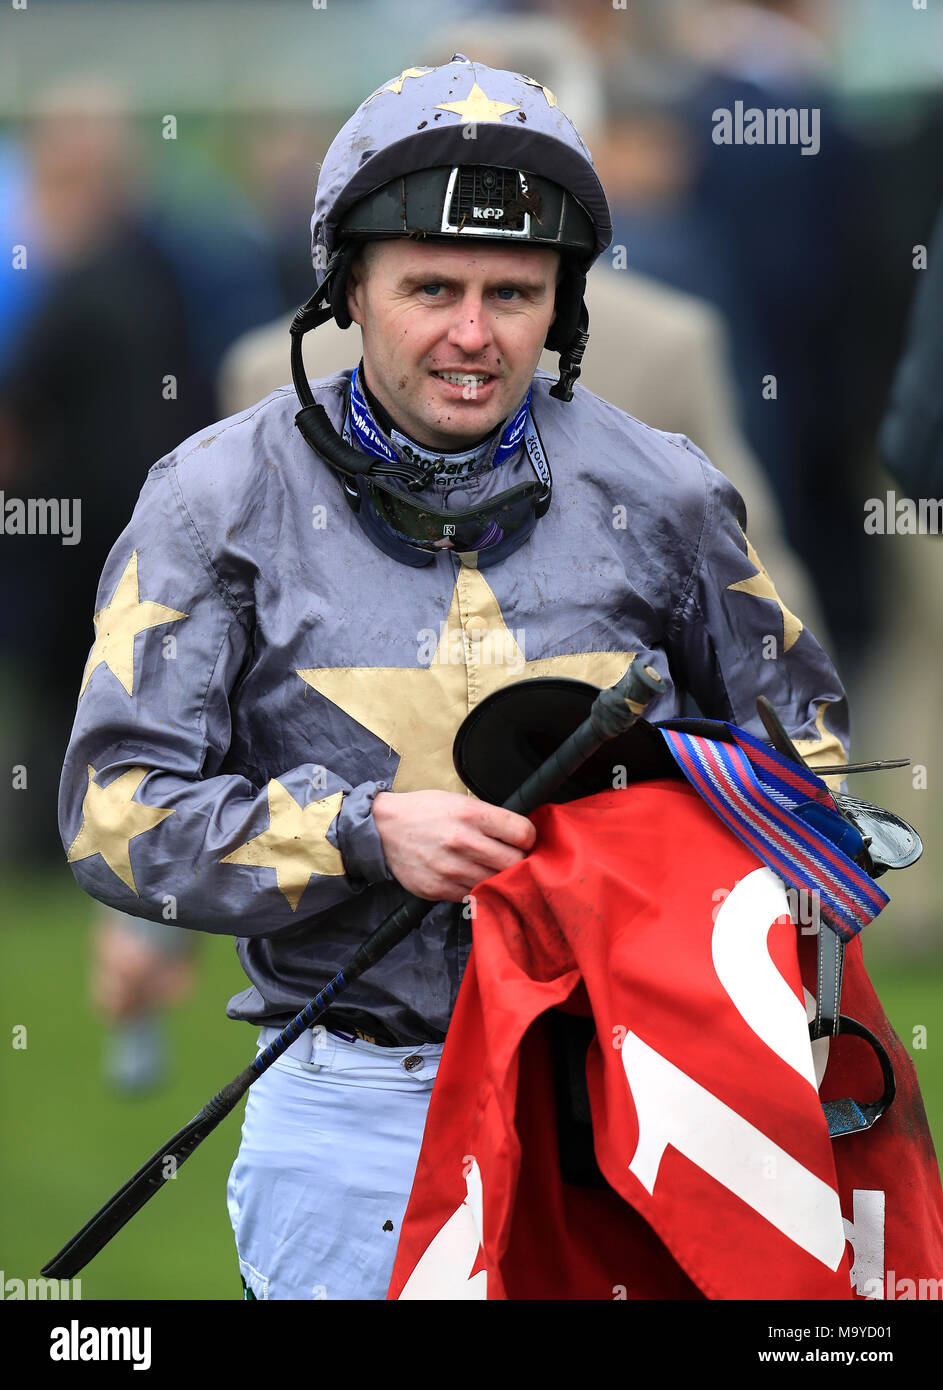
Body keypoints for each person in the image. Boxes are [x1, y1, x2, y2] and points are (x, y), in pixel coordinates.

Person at [58, 55, 849, 1301]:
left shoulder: (668, 491)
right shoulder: (213, 498)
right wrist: (362, 831)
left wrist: (707, 901)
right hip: (351, 1120)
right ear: (349, 291)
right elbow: (113, 816)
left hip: (622, 1105)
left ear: (565, 304)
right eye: (431, 288)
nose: (474, 336)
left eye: (514, 293)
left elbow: (809, 776)